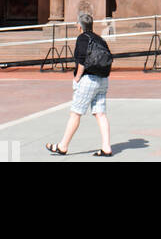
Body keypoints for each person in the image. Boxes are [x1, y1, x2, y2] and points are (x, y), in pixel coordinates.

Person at [47, 12, 113, 155]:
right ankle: (106, 147)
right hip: (103, 79)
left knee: (76, 113)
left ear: (79, 25)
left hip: (88, 79)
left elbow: (82, 60)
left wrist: (77, 77)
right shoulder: (100, 39)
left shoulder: (82, 38)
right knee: (100, 113)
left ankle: (62, 146)